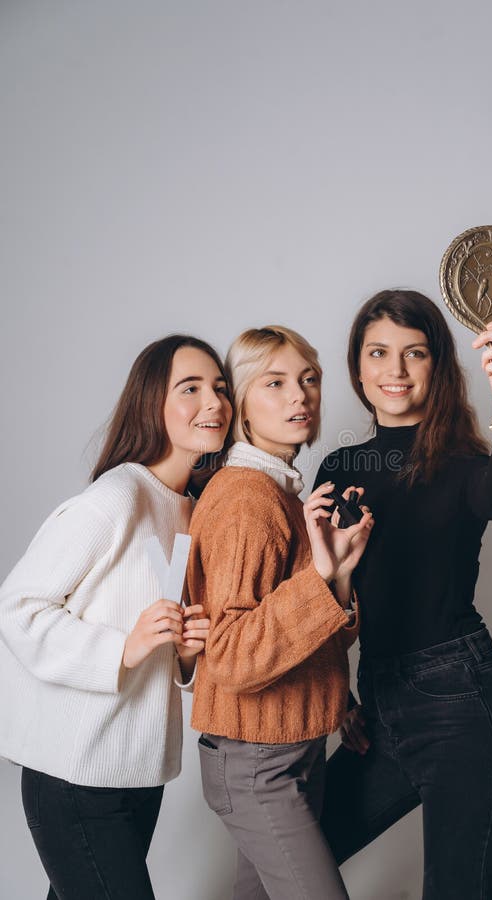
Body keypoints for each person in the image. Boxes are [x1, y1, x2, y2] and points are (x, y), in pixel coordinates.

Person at [313, 290, 492, 900]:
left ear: (438, 365)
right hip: (376, 713)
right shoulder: (339, 467)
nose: (396, 370)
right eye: (379, 352)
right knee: (286, 858)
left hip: (463, 709)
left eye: (415, 353)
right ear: (357, 366)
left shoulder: (464, 462)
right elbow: (321, 593)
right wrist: (340, 692)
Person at [0, 334, 232, 900]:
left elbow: (158, 627)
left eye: (221, 388)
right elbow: (18, 606)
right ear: (153, 401)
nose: (215, 403)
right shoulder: (118, 496)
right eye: (191, 388)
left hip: (138, 772)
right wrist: (120, 649)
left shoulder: (188, 509)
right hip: (77, 773)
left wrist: (182, 653)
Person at [187, 325, 374, 900]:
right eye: (275, 383)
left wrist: (337, 580)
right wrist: (322, 579)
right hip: (257, 767)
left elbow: (294, 629)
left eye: (309, 380)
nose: (300, 396)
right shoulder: (248, 499)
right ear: (241, 403)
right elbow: (233, 655)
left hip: (290, 750)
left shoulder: (285, 496)